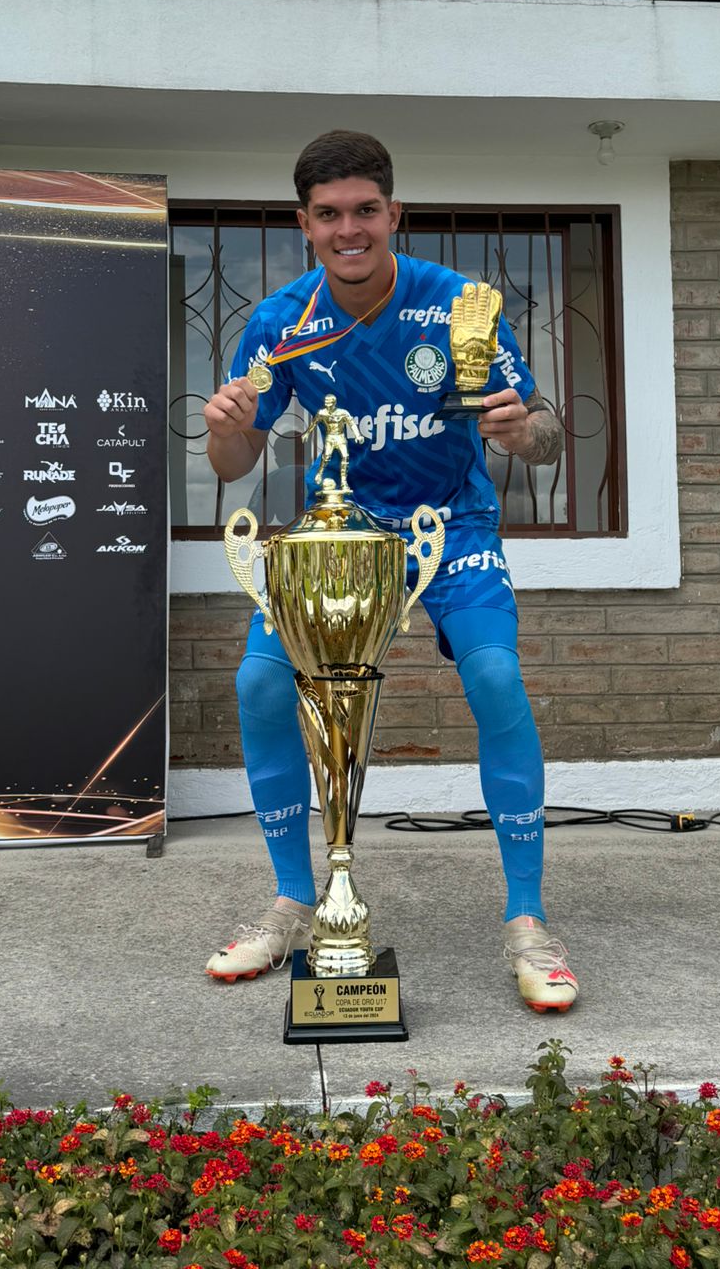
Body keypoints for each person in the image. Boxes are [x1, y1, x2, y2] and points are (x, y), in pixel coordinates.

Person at [201, 130, 576, 1013]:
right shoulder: (280, 322)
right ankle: (294, 901)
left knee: (496, 676)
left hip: (451, 527)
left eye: (365, 210)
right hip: (340, 537)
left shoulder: (459, 305)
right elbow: (234, 462)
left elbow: (550, 435)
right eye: (329, 215)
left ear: (393, 213)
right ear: (304, 224)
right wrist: (227, 429)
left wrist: (522, 431)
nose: (349, 230)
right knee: (259, 685)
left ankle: (528, 920)